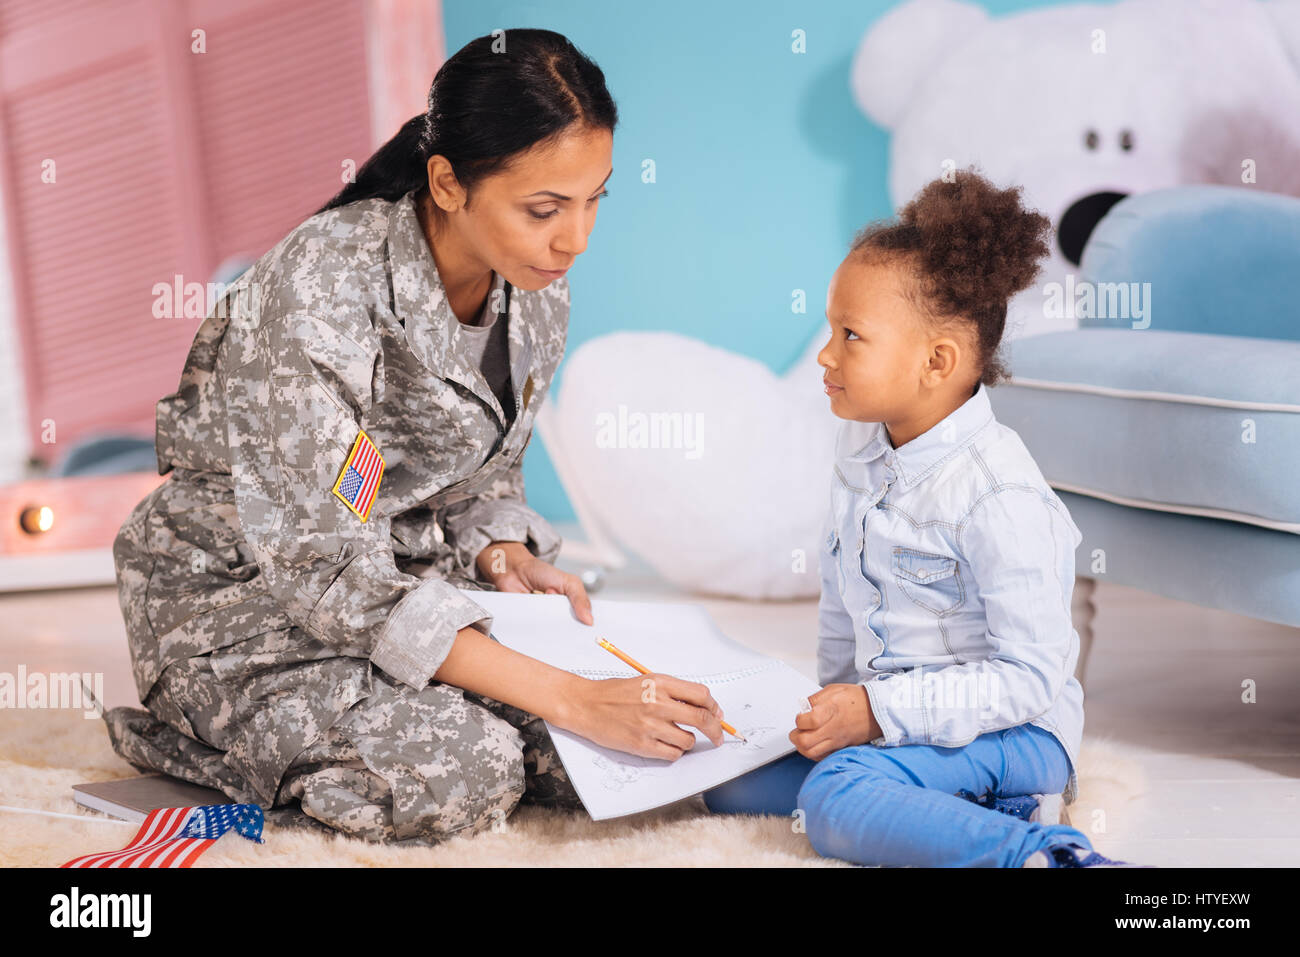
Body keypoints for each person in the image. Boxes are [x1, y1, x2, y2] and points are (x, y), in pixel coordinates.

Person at [103, 28, 727, 846]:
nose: (577, 238)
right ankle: (190, 741)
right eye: (545, 208)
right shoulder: (318, 290)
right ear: (447, 182)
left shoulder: (535, 288)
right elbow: (326, 570)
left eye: (595, 199)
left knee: (602, 758)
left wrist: (502, 554)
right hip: (246, 610)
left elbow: (483, 478)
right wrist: (570, 695)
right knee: (467, 776)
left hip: (405, 588)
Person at [702, 169, 1146, 868]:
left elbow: (1030, 678)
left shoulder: (999, 495)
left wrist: (877, 714)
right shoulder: (860, 448)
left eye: (851, 336)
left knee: (837, 799)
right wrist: (832, 707)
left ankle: (1040, 850)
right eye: (830, 328)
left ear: (937, 361)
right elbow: (841, 606)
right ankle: (929, 798)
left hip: (1016, 733)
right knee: (727, 776)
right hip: (902, 722)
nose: (824, 354)